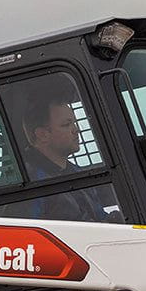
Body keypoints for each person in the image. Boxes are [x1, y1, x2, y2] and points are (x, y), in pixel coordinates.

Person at [20, 84, 116, 223]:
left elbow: (99, 219)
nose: (76, 130)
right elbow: (26, 233)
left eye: (74, 123)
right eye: (66, 125)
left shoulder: (75, 173)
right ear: (42, 135)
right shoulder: (30, 182)